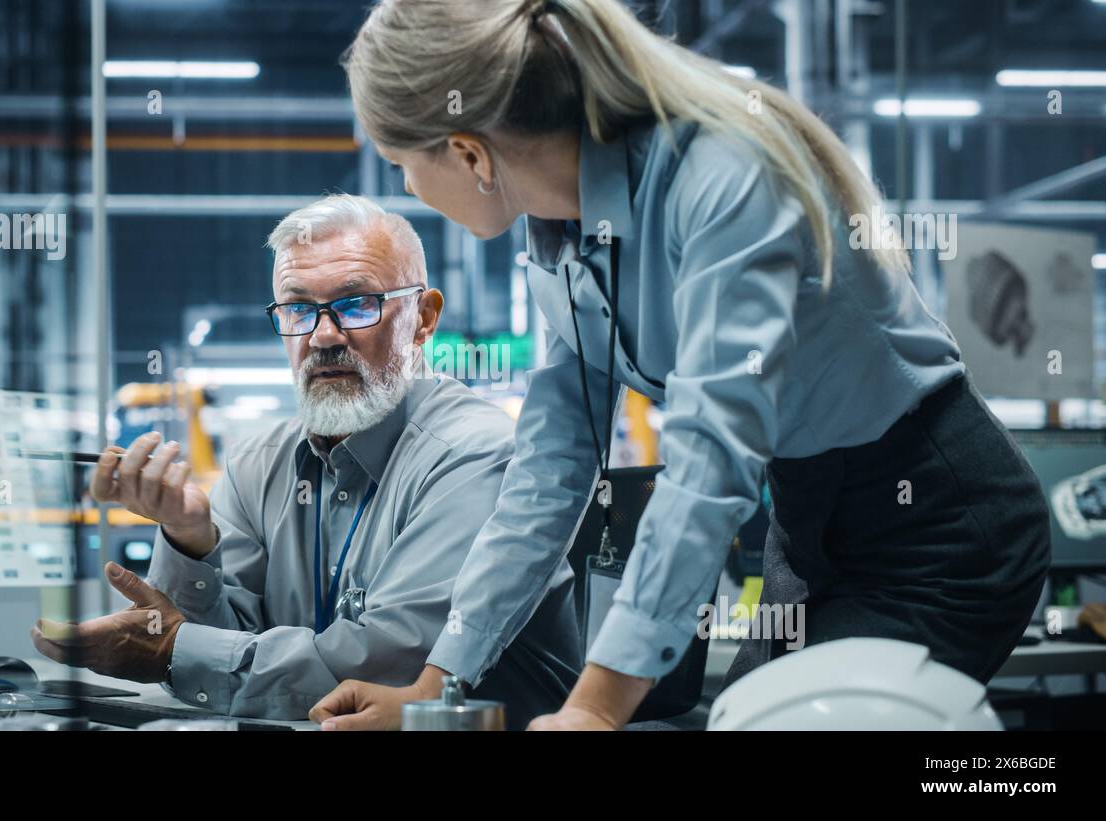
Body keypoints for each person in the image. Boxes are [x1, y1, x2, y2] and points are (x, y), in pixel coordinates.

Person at [309, 0, 1051, 730]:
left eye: (402, 163)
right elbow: (549, 473)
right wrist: (438, 684)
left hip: (939, 528)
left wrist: (596, 709)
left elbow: (710, 462)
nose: (407, 187)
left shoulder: (722, 182)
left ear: (470, 153)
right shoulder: (561, 241)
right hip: (804, 523)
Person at [29, 194, 580, 727]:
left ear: (423, 318)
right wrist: (188, 541)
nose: (323, 335)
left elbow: (381, 671)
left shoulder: (472, 455)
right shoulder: (257, 463)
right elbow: (220, 645)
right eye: (298, 308)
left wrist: (168, 651)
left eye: (356, 304)